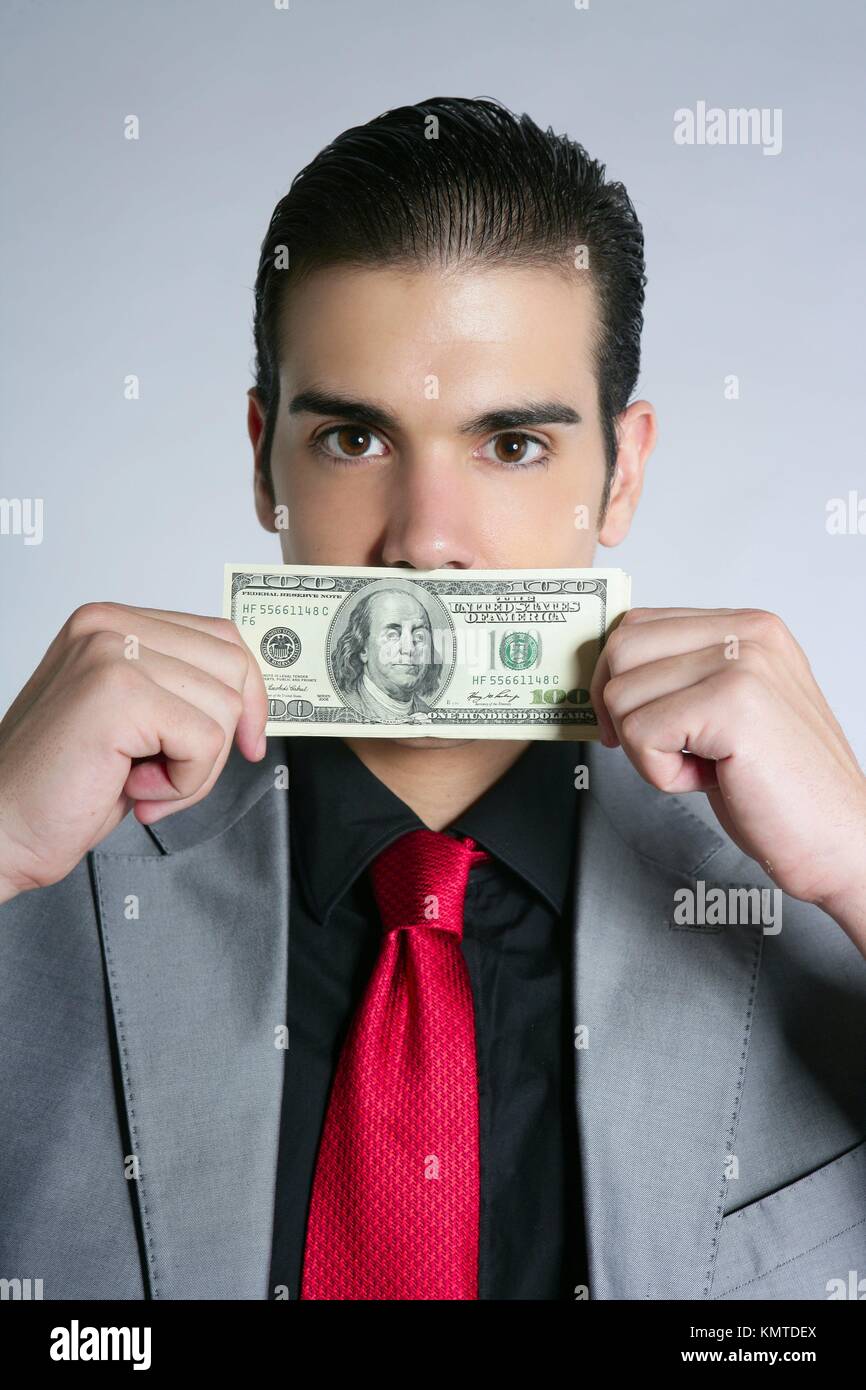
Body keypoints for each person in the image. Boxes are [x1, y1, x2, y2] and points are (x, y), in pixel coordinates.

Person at [1, 96, 864, 1302]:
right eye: (354, 440)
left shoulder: (810, 894)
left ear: (621, 477)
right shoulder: (42, 880)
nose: (424, 541)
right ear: (262, 459)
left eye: (510, 446)